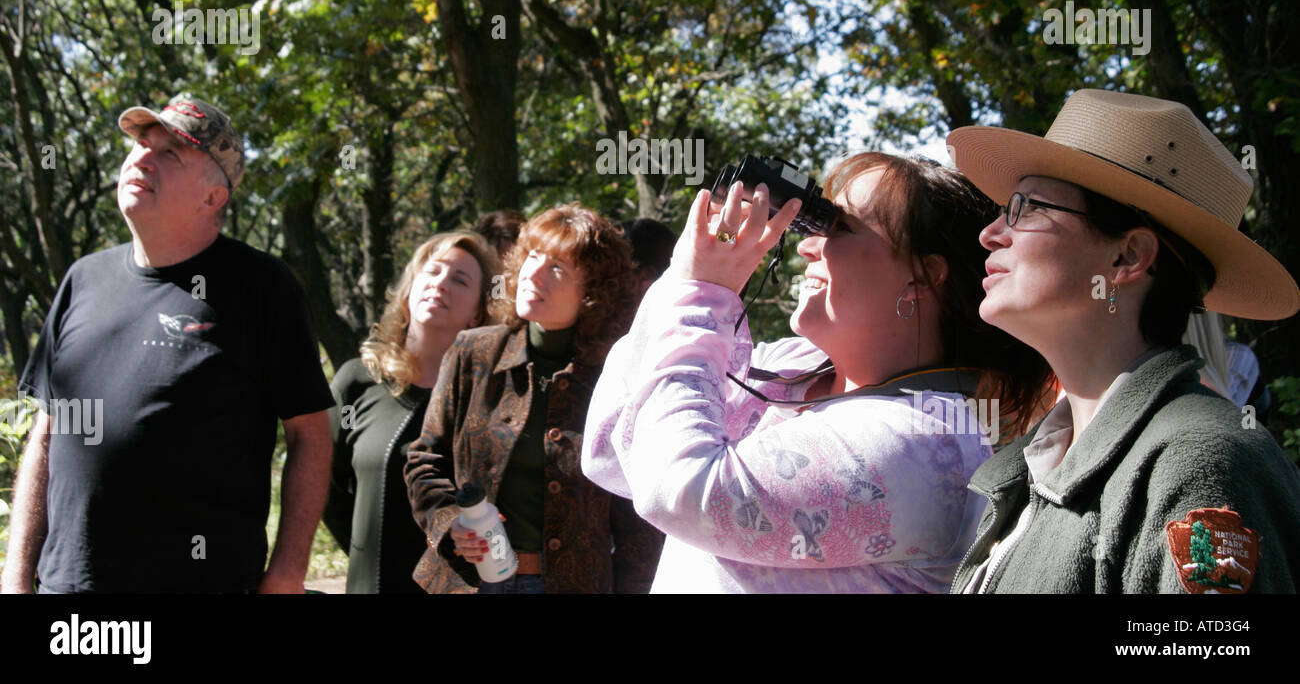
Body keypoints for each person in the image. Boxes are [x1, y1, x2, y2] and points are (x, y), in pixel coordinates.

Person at [582, 153, 1053, 592]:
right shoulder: (793, 365)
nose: (807, 246)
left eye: (840, 228)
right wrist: (684, 278)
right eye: (815, 224)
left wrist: (702, 290)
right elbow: (609, 450)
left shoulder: (928, 442)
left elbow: (679, 491)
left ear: (922, 277)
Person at [946, 88, 1300, 592]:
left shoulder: (1202, 460)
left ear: (1127, 257)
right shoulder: (1044, 458)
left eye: (1025, 208)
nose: (991, 233)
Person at [1, 94, 333, 594]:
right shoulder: (82, 279)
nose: (142, 158)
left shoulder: (262, 287)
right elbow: (47, 435)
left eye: (170, 153)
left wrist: (287, 573)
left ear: (213, 198)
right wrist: (15, 573)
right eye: (140, 144)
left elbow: (310, 435)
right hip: (68, 594)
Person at [405, 204, 664, 593]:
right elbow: (425, 459)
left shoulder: (619, 376)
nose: (533, 274)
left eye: (557, 267)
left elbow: (638, 522)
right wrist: (448, 522)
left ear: (593, 291)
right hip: (466, 582)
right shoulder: (472, 352)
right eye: (532, 257)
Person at [324, 231, 498, 593]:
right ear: (408, 290)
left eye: (459, 279)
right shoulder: (355, 381)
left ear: (478, 312)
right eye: (432, 272)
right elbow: (327, 492)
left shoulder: (492, 399)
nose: (441, 284)